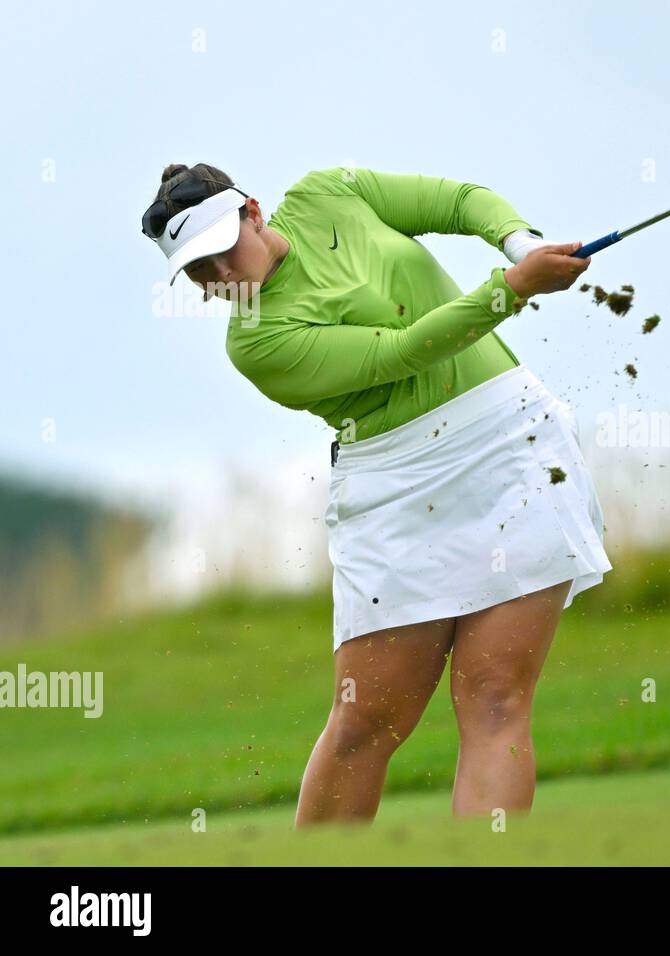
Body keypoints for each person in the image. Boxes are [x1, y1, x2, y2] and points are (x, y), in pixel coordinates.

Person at [141, 162, 612, 825]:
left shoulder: (325, 194)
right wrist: (512, 290)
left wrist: (518, 243)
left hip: (513, 445)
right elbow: (400, 353)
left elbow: (458, 200)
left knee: (497, 700)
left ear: (252, 211)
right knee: (368, 721)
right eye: (196, 271)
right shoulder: (256, 342)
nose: (219, 279)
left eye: (221, 253)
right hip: (396, 489)